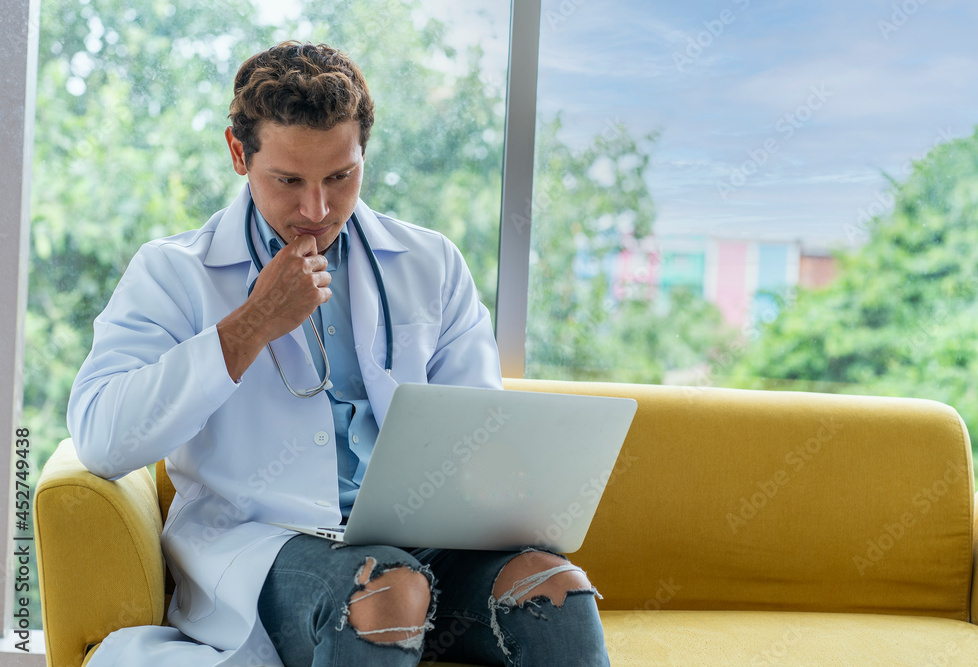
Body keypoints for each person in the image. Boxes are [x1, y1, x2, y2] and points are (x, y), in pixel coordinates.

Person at [68, 41, 609, 666]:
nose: (316, 210)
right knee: (384, 592)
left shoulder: (430, 263)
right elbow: (103, 439)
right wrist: (250, 326)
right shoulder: (173, 272)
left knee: (555, 589)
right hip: (269, 547)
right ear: (239, 154)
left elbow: (480, 428)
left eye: (340, 177)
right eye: (289, 180)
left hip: (426, 546)